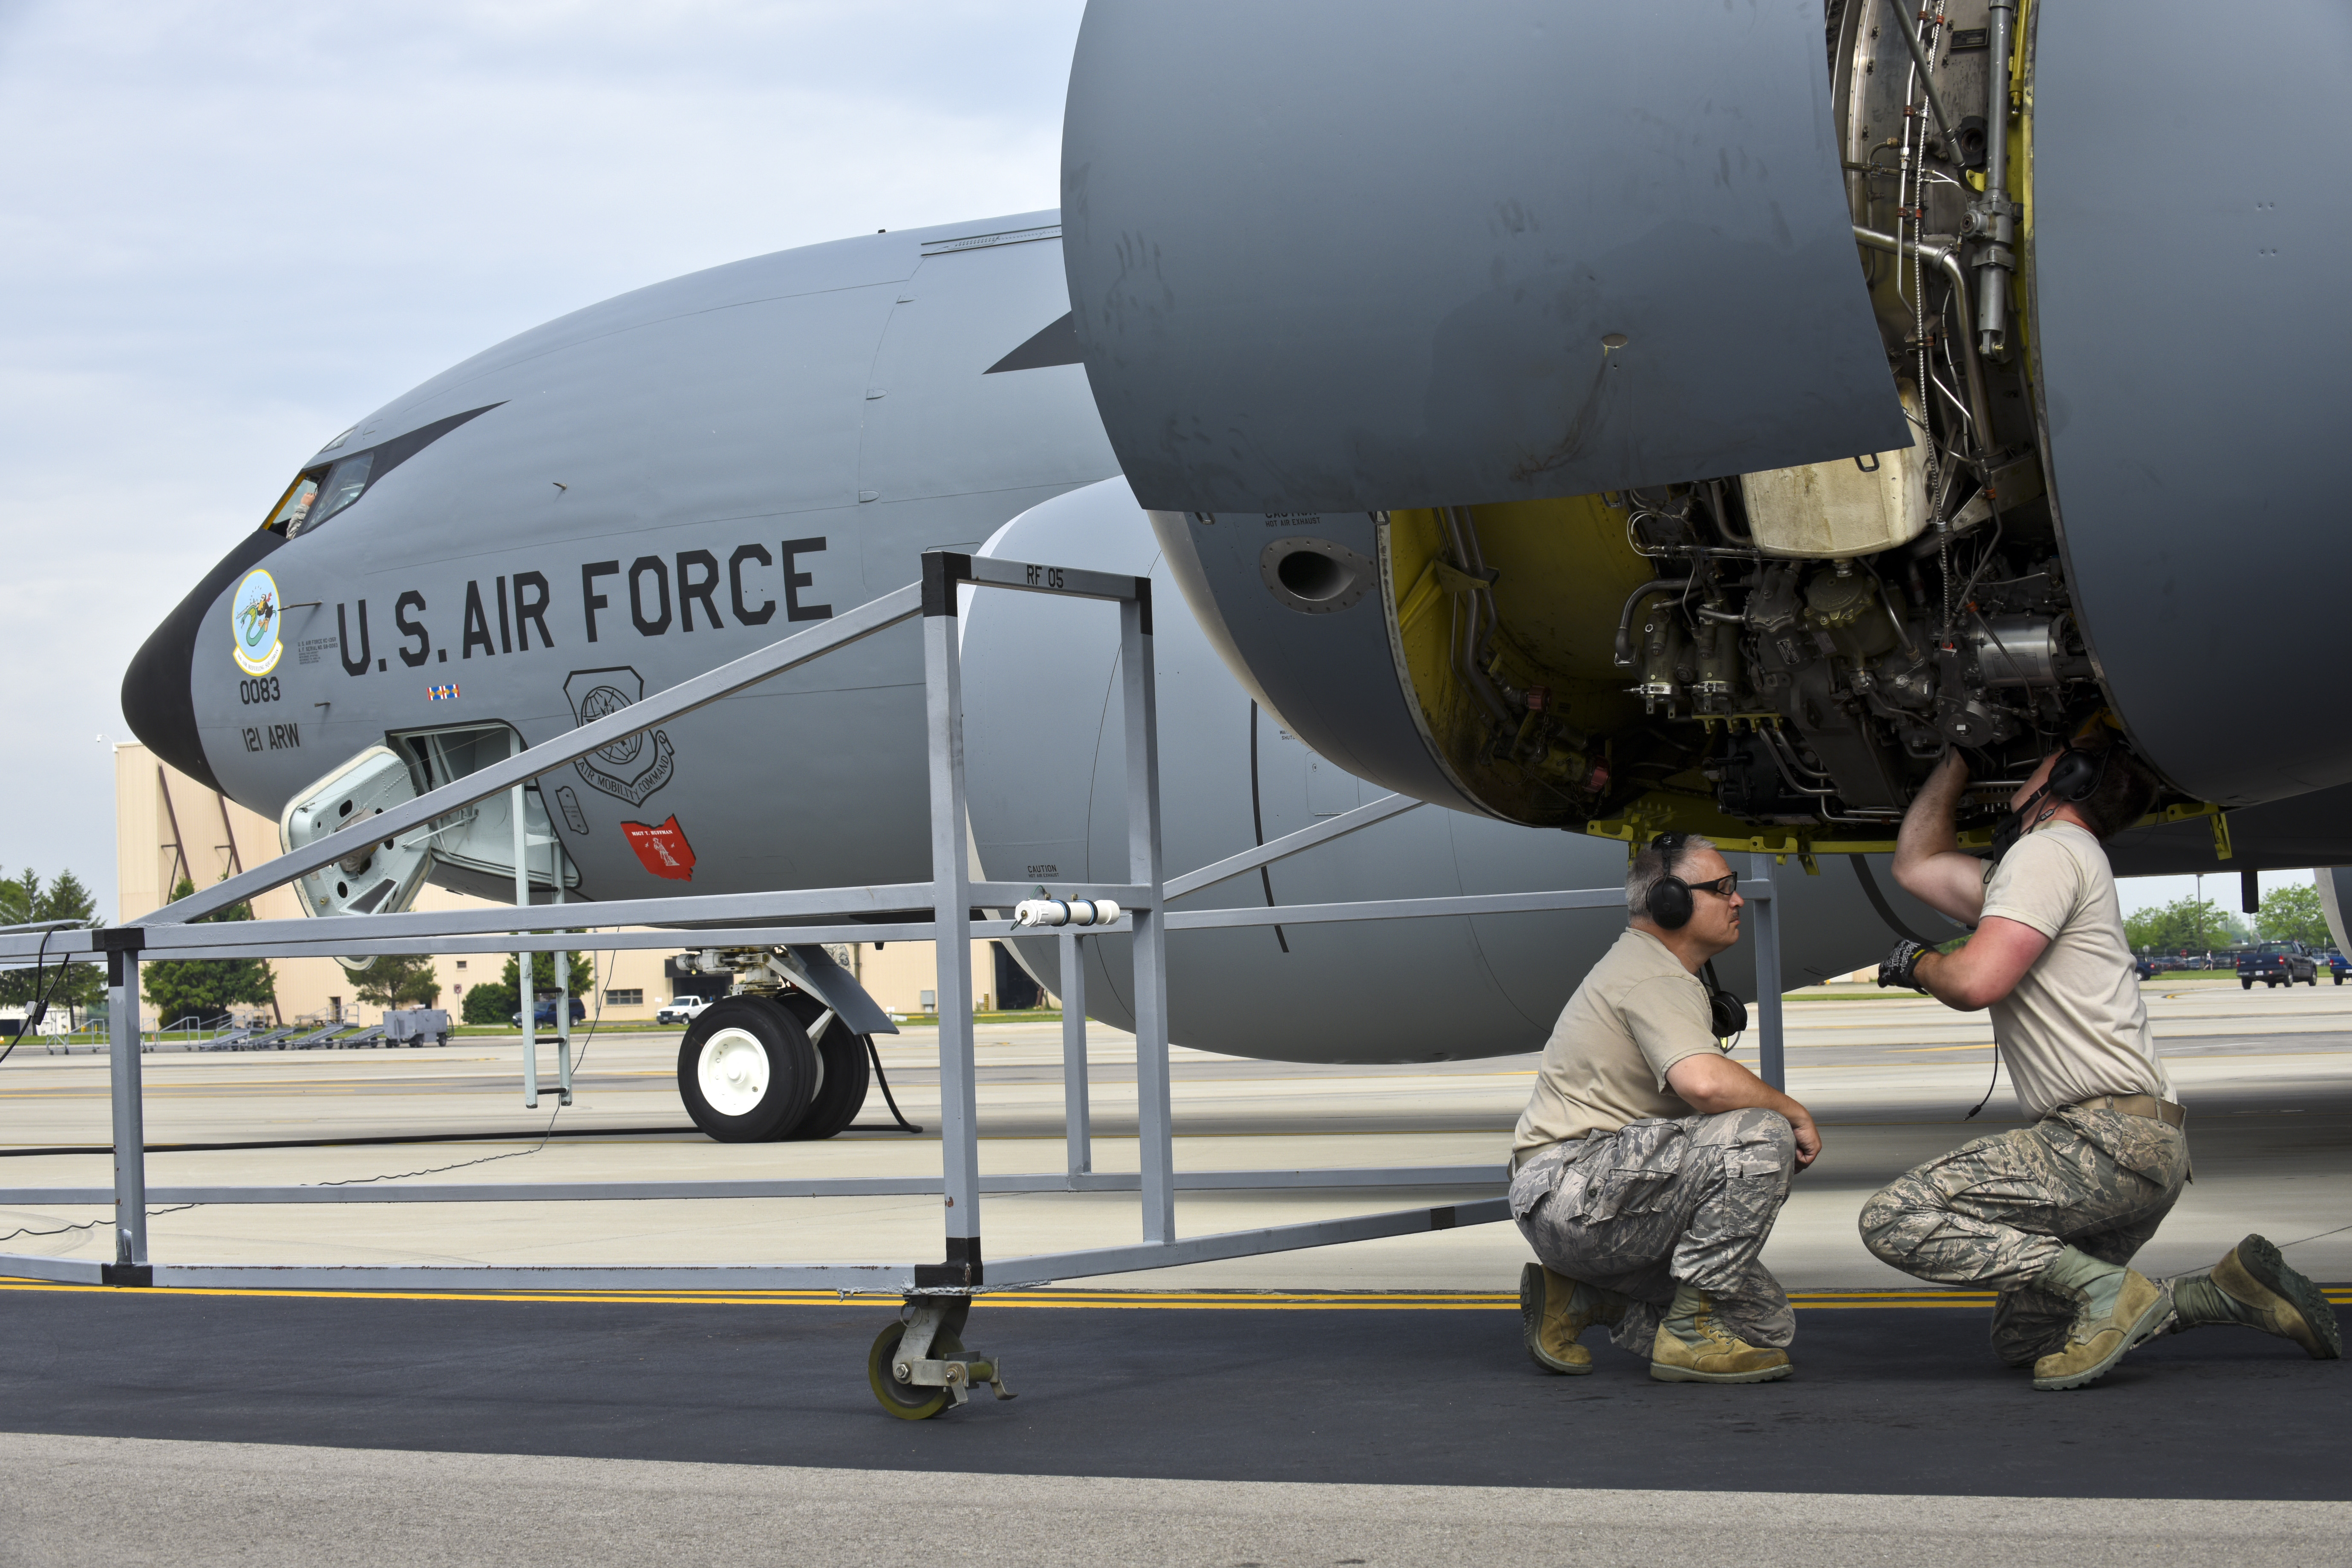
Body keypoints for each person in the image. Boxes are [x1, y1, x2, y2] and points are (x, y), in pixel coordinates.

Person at [1865, 738, 2342, 1389]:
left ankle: (2107, 1292)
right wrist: (1960, 756)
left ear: (2068, 777)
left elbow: (1975, 983)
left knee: (1895, 1216)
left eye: (2041, 762)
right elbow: (1917, 863)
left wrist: (1916, 964)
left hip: (2102, 1142)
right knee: (2023, 1338)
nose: (2024, 773)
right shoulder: (2050, 868)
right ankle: (2222, 1291)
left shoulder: (2047, 854)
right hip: (2145, 1149)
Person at [1510, 833, 1823, 1384]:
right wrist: (1793, 1111)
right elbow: (1703, 1083)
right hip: (1576, 1193)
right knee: (1761, 1134)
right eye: (1721, 888)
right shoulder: (1653, 974)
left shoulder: (1654, 968)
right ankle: (1688, 1334)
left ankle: (1581, 1296)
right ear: (1669, 902)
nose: (1737, 900)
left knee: (1763, 1328)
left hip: (1592, 1199)